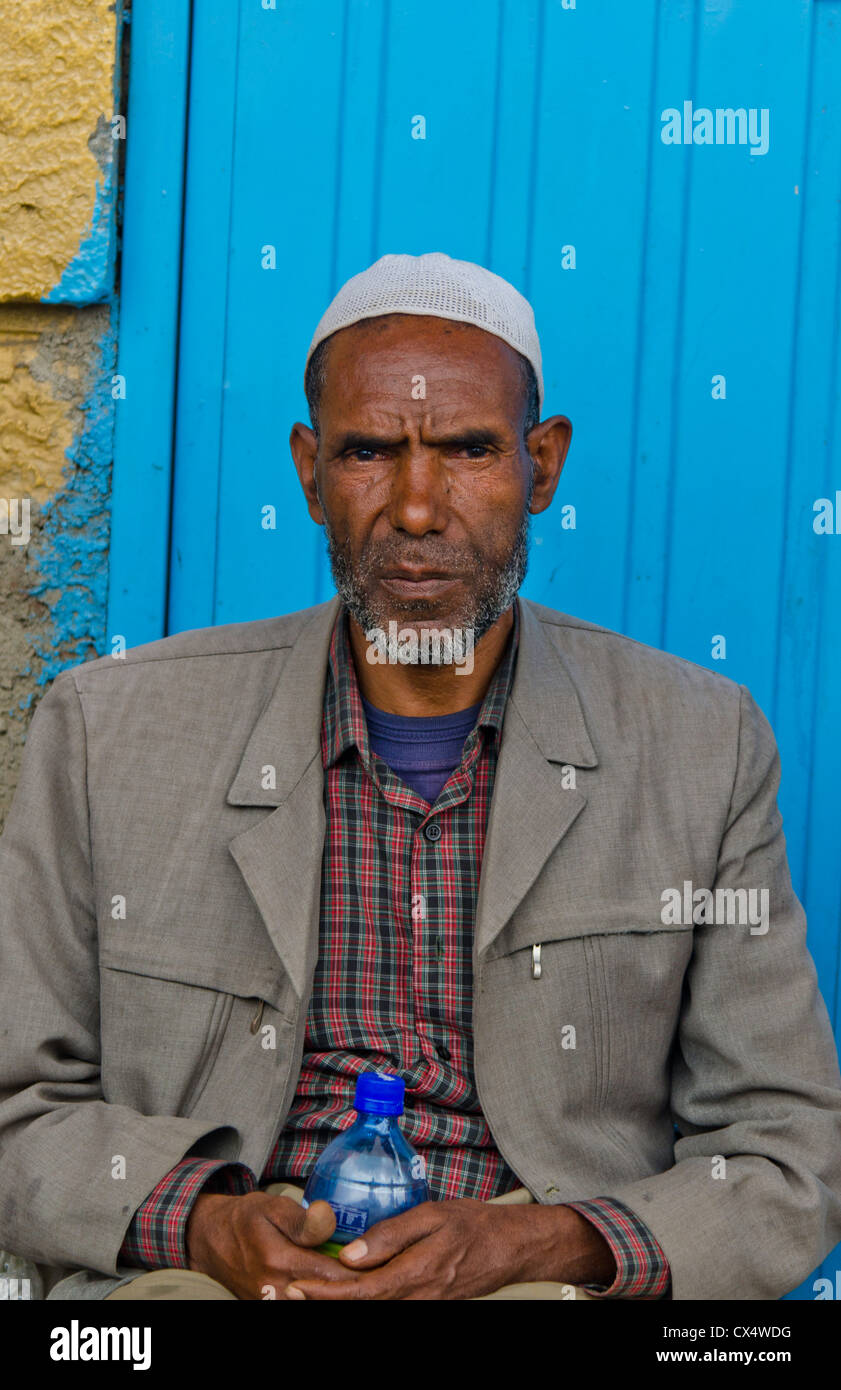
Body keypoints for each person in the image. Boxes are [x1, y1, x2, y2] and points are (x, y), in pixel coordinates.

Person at [1, 253, 840, 1302]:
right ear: (308, 472)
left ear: (543, 465)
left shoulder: (697, 745)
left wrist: (538, 1246)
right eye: (367, 452)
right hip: (214, 1278)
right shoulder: (108, 732)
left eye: (468, 449)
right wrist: (204, 1225)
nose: (415, 505)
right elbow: (18, 1106)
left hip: (536, 1274)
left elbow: (782, 1149)